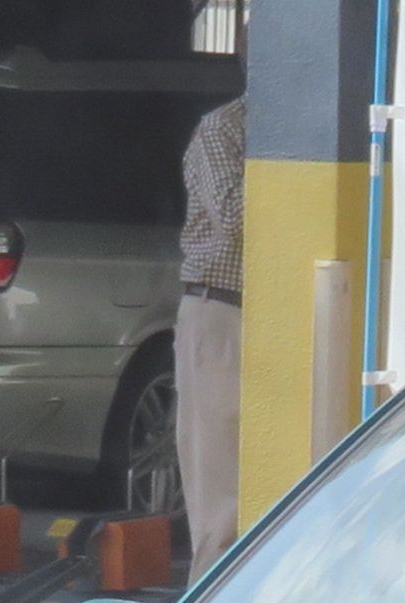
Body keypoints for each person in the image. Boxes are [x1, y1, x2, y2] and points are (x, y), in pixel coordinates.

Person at [177, 91, 245, 577]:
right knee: (218, 486)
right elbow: (235, 217)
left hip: (275, 312)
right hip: (220, 308)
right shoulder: (224, 127)